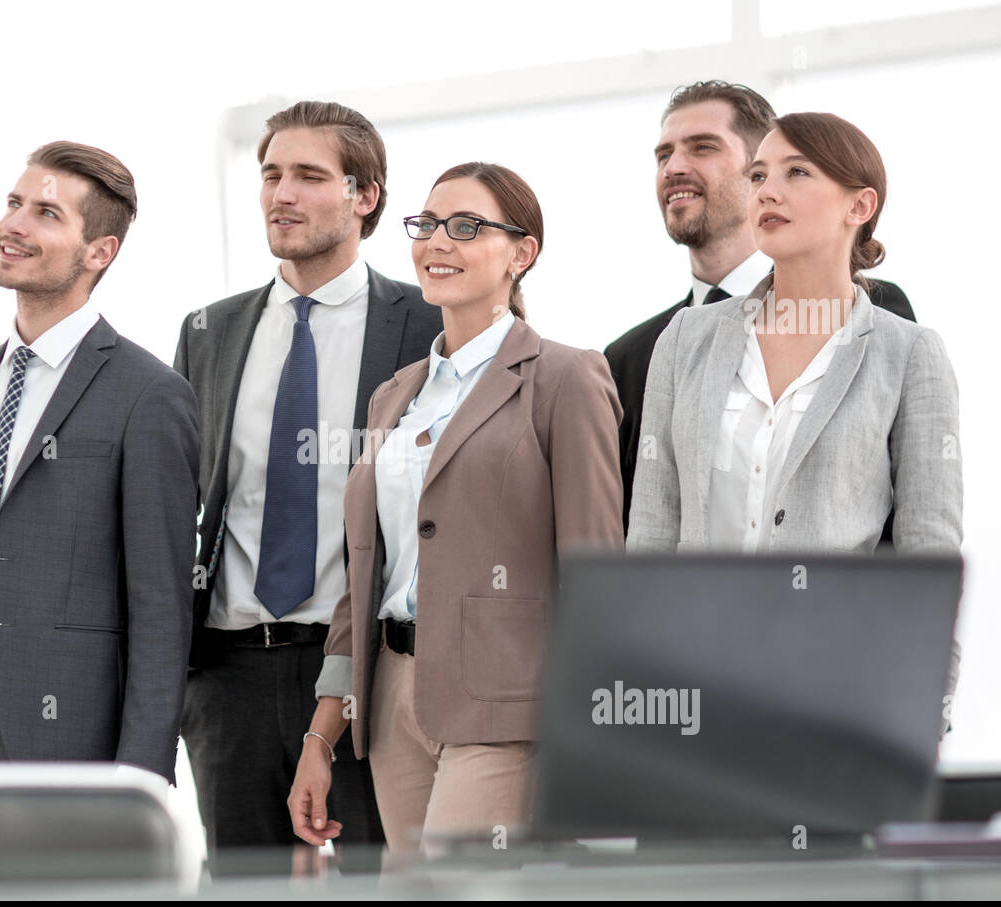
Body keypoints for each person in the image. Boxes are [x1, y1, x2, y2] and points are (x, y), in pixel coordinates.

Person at [288, 162, 624, 855]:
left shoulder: (565, 377)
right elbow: (365, 576)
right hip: (393, 698)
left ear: (521, 253)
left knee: (459, 882)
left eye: (467, 227)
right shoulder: (395, 394)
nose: (439, 241)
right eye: (428, 225)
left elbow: (596, 573)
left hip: (508, 702)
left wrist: (594, 736)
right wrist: (322, 734)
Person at [0, 141, 199, 789]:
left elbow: (163, 610)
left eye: (46, 213)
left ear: (98, 251)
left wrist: (140, 779)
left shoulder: (148, 394)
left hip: (71, 742)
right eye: (14, 203)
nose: (13, 225)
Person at [626, 112, 963, 723]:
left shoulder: (908, 352)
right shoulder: (684, 339)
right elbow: (652, 527)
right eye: (758, 175)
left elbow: (928, 555)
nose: (767, 191)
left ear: (859, 205)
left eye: (796, 172)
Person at [174, 101, 442, 868]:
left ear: (365, 197)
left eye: (308, 176)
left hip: (364, 666)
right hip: (228, 678)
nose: (280, 194)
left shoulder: (424, 324)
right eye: (270, 175)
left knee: (379, 879)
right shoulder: (209, 331)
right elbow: (183, 504)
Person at [606, 81, 916, 533]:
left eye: (703, 147)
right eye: (663, 155)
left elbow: (901, 507)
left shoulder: (875, 310)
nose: (674, 167)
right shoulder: (631, 356)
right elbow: (642, 521)